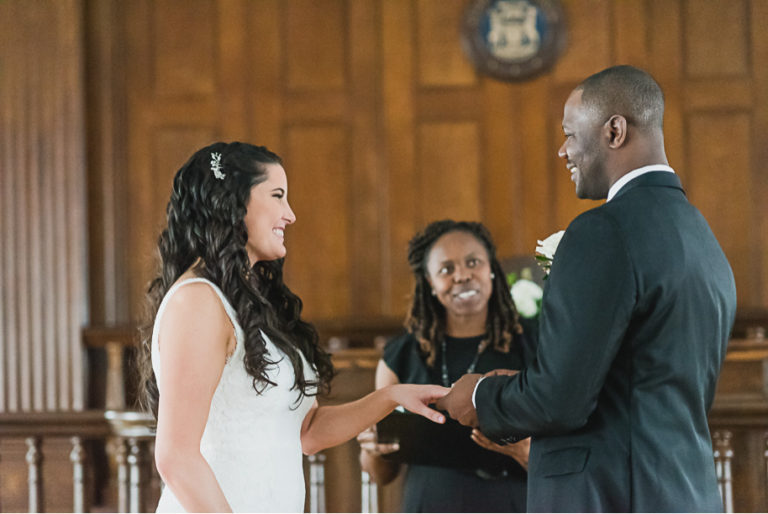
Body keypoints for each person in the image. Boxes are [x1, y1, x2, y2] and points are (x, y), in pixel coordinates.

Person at [436, 65, 737, 512]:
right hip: (682, 492)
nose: (563, 151)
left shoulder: (604, 232)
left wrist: (480, 395)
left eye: (571, 135)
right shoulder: (701, 236)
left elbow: (561, 399)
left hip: (612, 495)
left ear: (614, 130)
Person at [136, 142, 449, 513]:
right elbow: (177, 459)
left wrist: (390, 398)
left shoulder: (254, 303)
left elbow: (307, 431)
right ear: (233, 202)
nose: (291, 215)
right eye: (277, 196)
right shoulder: (198, 301)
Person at [358, 220, 535, 512]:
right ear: (430, 283)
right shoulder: (400, 355)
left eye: (473, 262)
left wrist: (526, 453)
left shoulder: (534, 343)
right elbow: (381, 475)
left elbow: (562, 461)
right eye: (446, 269)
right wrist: (373, 450)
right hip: (429, 503)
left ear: (490, 268)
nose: (462, 276)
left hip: (510, 501)